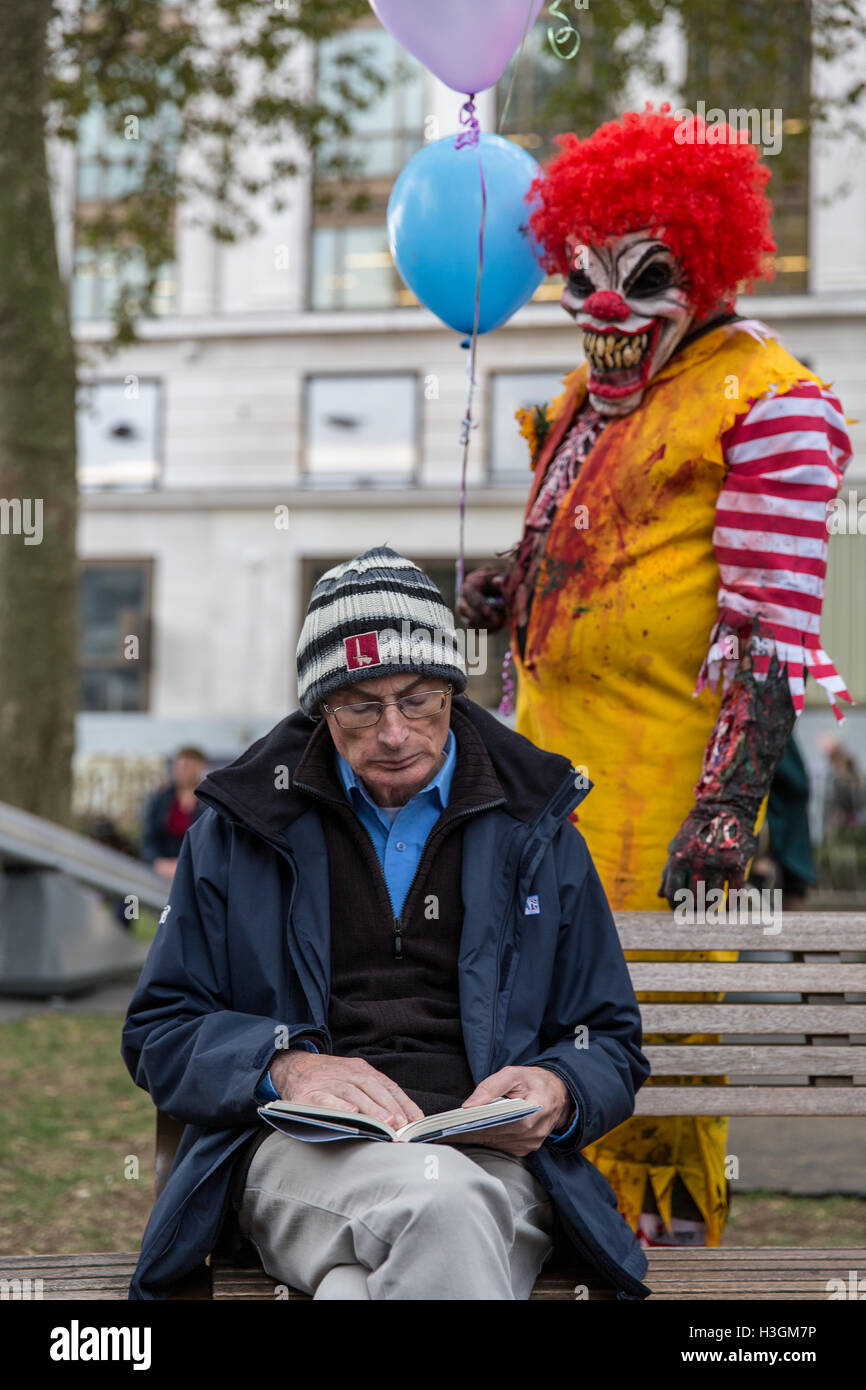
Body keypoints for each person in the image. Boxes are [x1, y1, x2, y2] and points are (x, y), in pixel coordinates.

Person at [458, 104, 853, 1247]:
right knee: (533, 1007)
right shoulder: (588, 398)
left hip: (659, 786)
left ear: (711, 272)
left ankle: (667, 1264)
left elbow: (772, 630)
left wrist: (726, 804)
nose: (601, 307)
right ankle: (549, 1219)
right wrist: (505, 589)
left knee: (653, 1024)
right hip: (543, 774)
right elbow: (569, 552)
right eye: (581, 274)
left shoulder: (767, 401)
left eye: (643, 277)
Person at [121, 547, 650, 1301]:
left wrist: (559, 1087)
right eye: (362, 706)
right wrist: (283, 1066)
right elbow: (161, 1031)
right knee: (444, 1208)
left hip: (494, 1158)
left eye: (419, 699)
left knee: (357, 1285)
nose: (396, 732)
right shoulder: (241, 824)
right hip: (300, 1154)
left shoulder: (536, 825)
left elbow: (610, 1039)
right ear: (320, 710)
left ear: (452, 692)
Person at [140, 746, 207, 881]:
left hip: (196, 870)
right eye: (180, 766)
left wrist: (186, 865)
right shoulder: (160, 799)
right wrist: (158, 862)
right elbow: (148, 838)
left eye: (189, 766)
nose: (184, 771)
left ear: (200, 767)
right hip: (161, 869)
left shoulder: (209, 804)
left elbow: (210, 844)